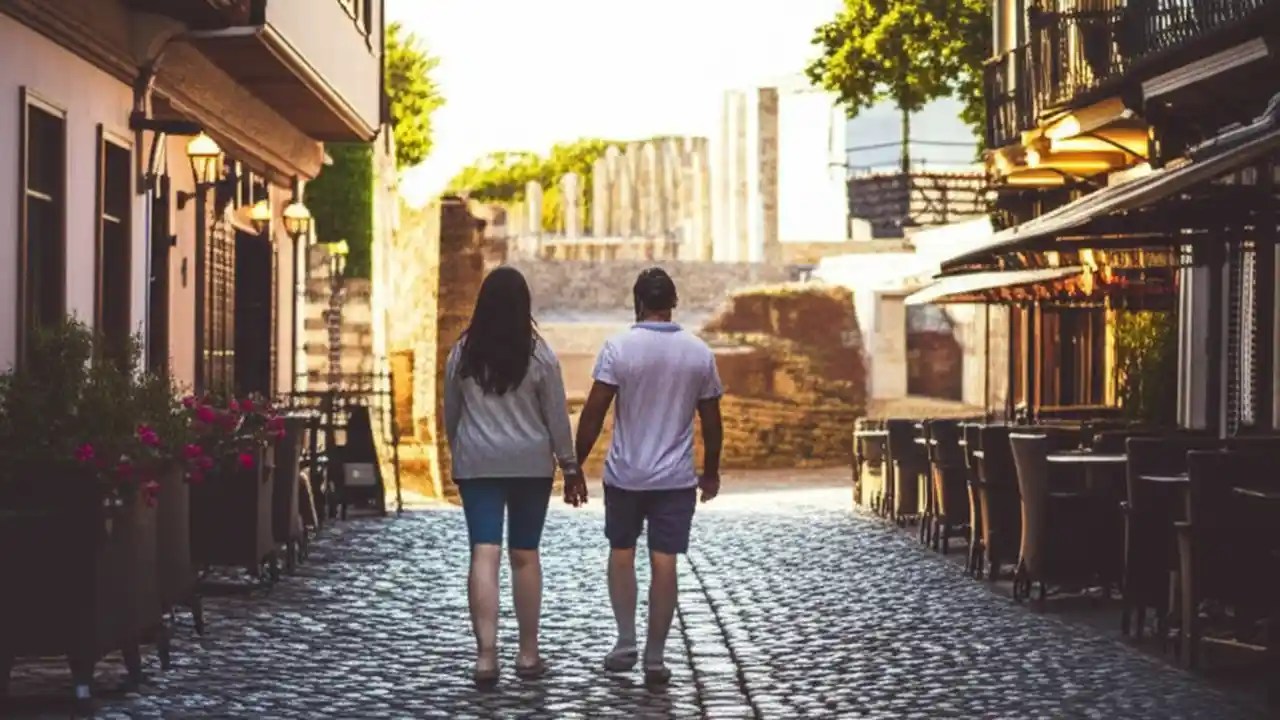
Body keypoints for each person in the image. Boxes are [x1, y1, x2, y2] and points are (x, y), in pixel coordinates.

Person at [570, 267, 724, 687]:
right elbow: (712, 421)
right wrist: (710, 473)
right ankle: (655, 658)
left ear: (637, 302)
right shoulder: (698, 352)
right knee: (665, 563)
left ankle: (624, 642)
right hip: (675, 480)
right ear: (673, 303)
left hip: (625, 475)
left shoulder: (618, 348)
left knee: (621, 554)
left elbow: (595, 411)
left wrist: (574, 466)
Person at [444, 266, 583, 687]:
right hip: (530, 466)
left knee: (483, 554)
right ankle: (528, 652)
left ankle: (486, 657)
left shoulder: (463, 353)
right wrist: (570, 465)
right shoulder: (540, 355)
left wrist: (461, 452)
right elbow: (556, 416)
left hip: (479, 463)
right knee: (525, 555)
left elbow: (452, 414)